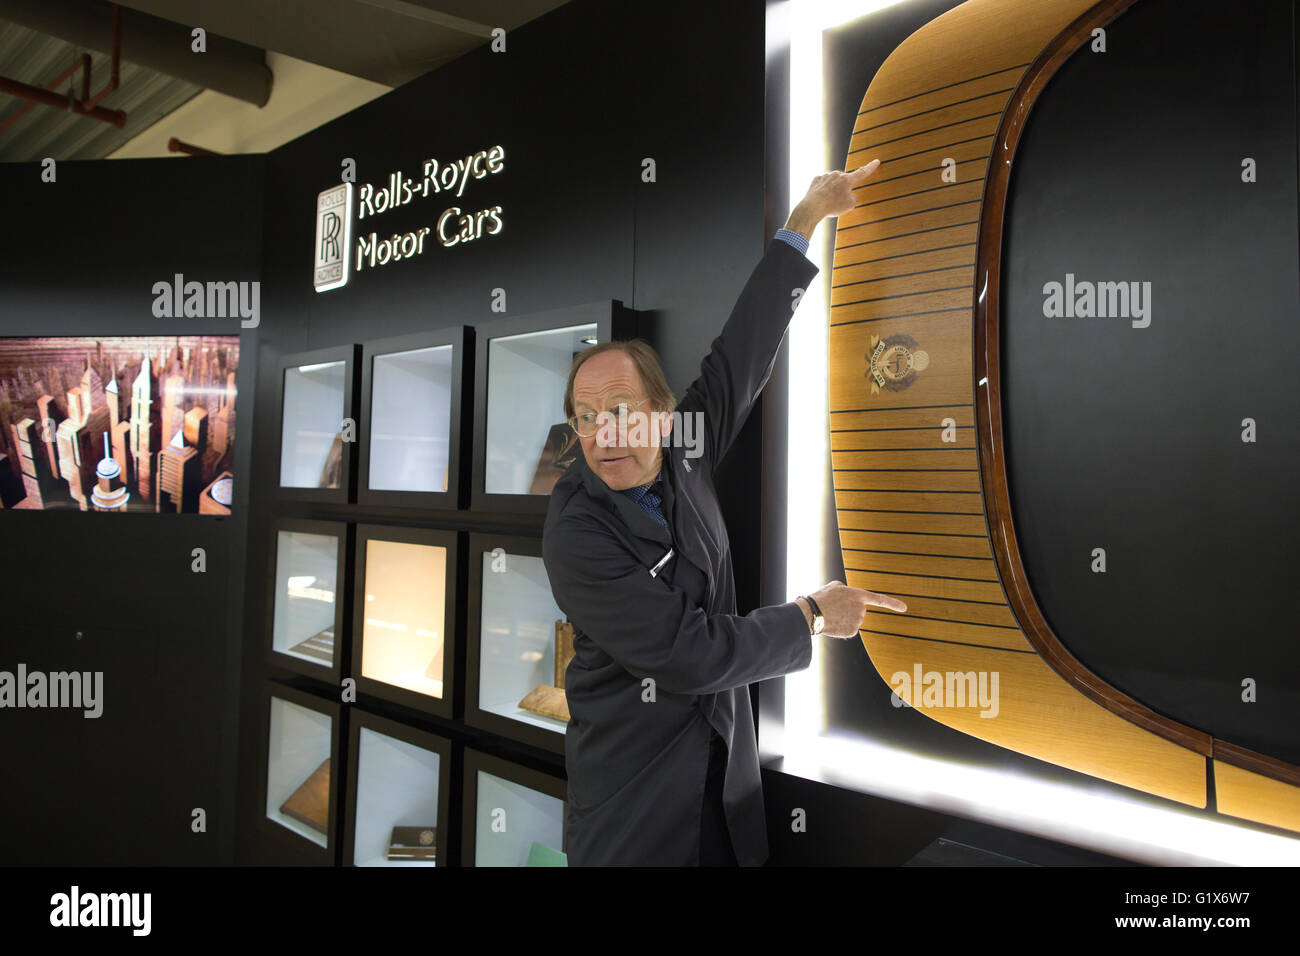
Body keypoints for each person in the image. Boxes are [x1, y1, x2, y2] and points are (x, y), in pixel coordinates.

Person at [541, 160, 907, 866]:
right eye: (585, 418)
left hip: (721, 766)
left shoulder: (686, 446)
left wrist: (803, 222)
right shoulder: (574, 531)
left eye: (620, 412)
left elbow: (740, 354)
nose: (602, 435)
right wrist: (812, 615)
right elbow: (688, 652)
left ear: (662, 413)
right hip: (634, 794)